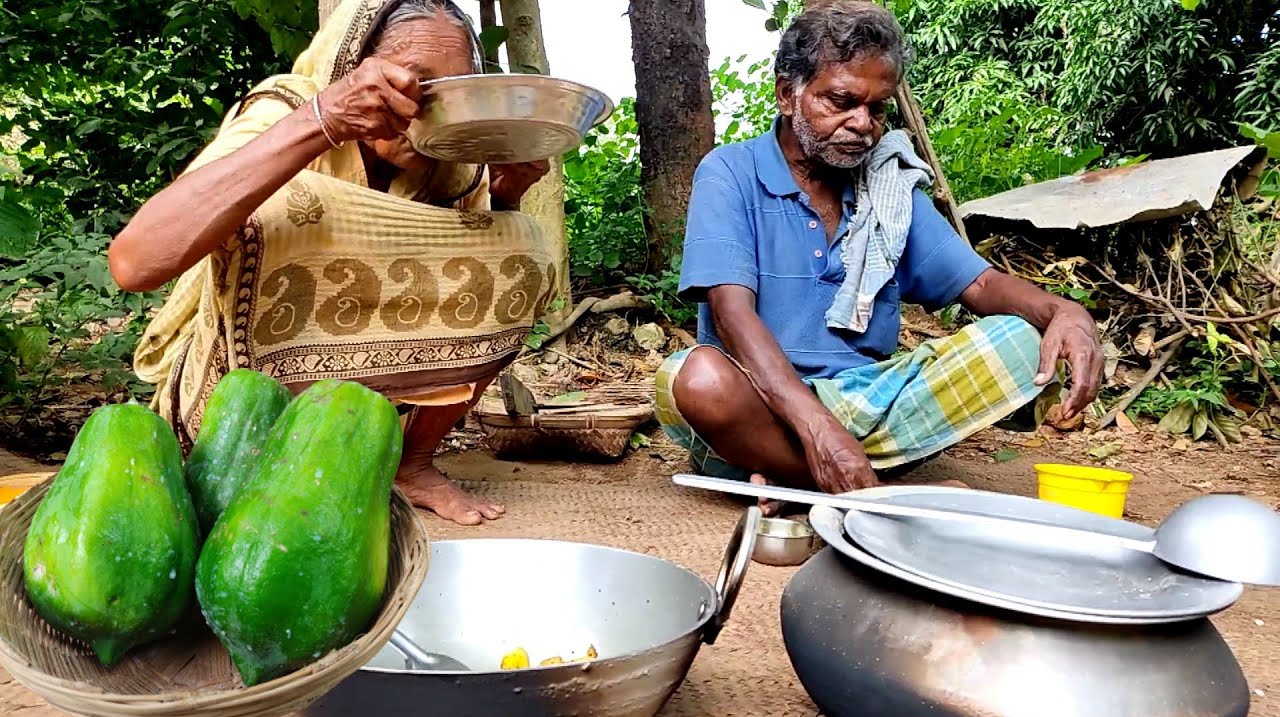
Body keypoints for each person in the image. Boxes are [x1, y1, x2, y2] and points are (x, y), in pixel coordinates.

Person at [109, 0, 555, 525]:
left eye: (452, 89)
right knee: (288, 210)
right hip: (227, 401)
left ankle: (409, 465)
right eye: (415, 83)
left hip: (364, 410)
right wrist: (325, 118)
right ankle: (236, 459)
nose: (427, 108)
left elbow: (481, 292)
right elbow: (135, 263)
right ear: (353, 67)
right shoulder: (286, 109)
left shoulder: (454, 163)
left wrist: (505, 201)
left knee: (518, 245)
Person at [654, 0, 1104, 513]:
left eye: (877, 108)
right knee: (695, 379)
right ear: (787, 95)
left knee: (1023, 339)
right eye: (841, 101)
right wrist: (818, 427)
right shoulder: (730, 172)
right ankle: (875, 494)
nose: (862, 123)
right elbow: (731, 316)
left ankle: (798, 482)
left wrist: (1064, 312)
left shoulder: (889, 187)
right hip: (759, 403)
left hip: (866, 405)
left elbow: (978, 286)